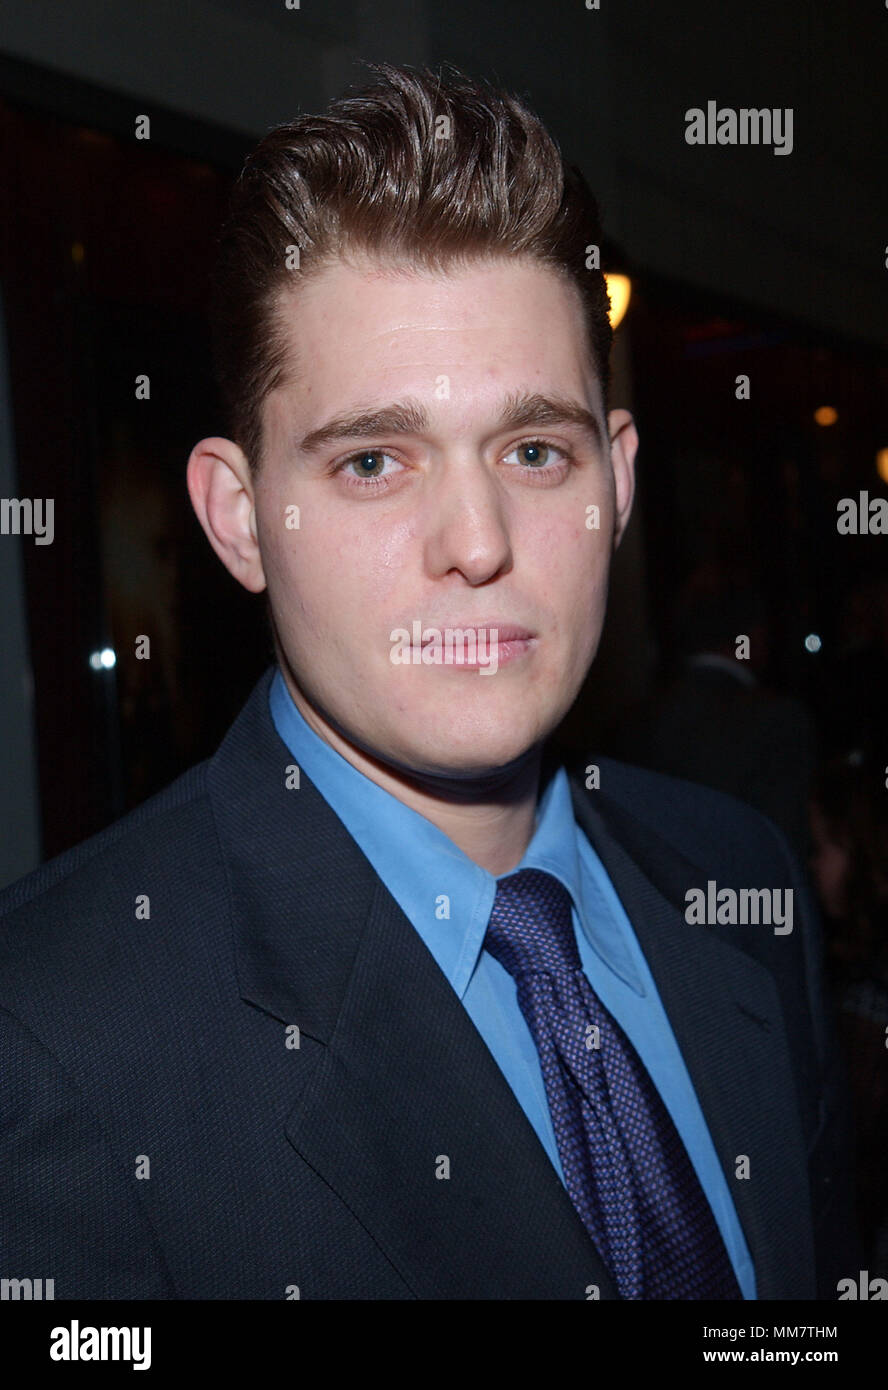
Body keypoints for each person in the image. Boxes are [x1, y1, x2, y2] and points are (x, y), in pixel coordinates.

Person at [0, 61, 858, 1300]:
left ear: (615, 483)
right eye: (372, 463)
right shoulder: (49, 1040)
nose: (478, 539)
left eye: (532, 448)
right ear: (240, 520)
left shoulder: (736, 877)